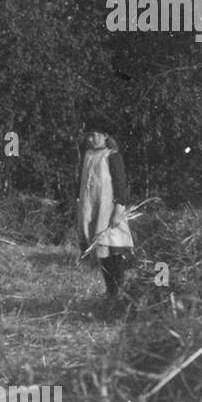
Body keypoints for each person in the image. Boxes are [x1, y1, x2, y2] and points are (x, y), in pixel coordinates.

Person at [77, 120, 134, 300]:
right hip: (93, 209)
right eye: (90, 135)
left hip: (109, 211)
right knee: (101, 251)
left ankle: (118, 291)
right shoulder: (87, 156)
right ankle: (110, 293)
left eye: (95, 135)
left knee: (113, 249)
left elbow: (120, 185)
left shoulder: (112, 156)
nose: (92, 138)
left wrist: (118, 210)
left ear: (105, 136)